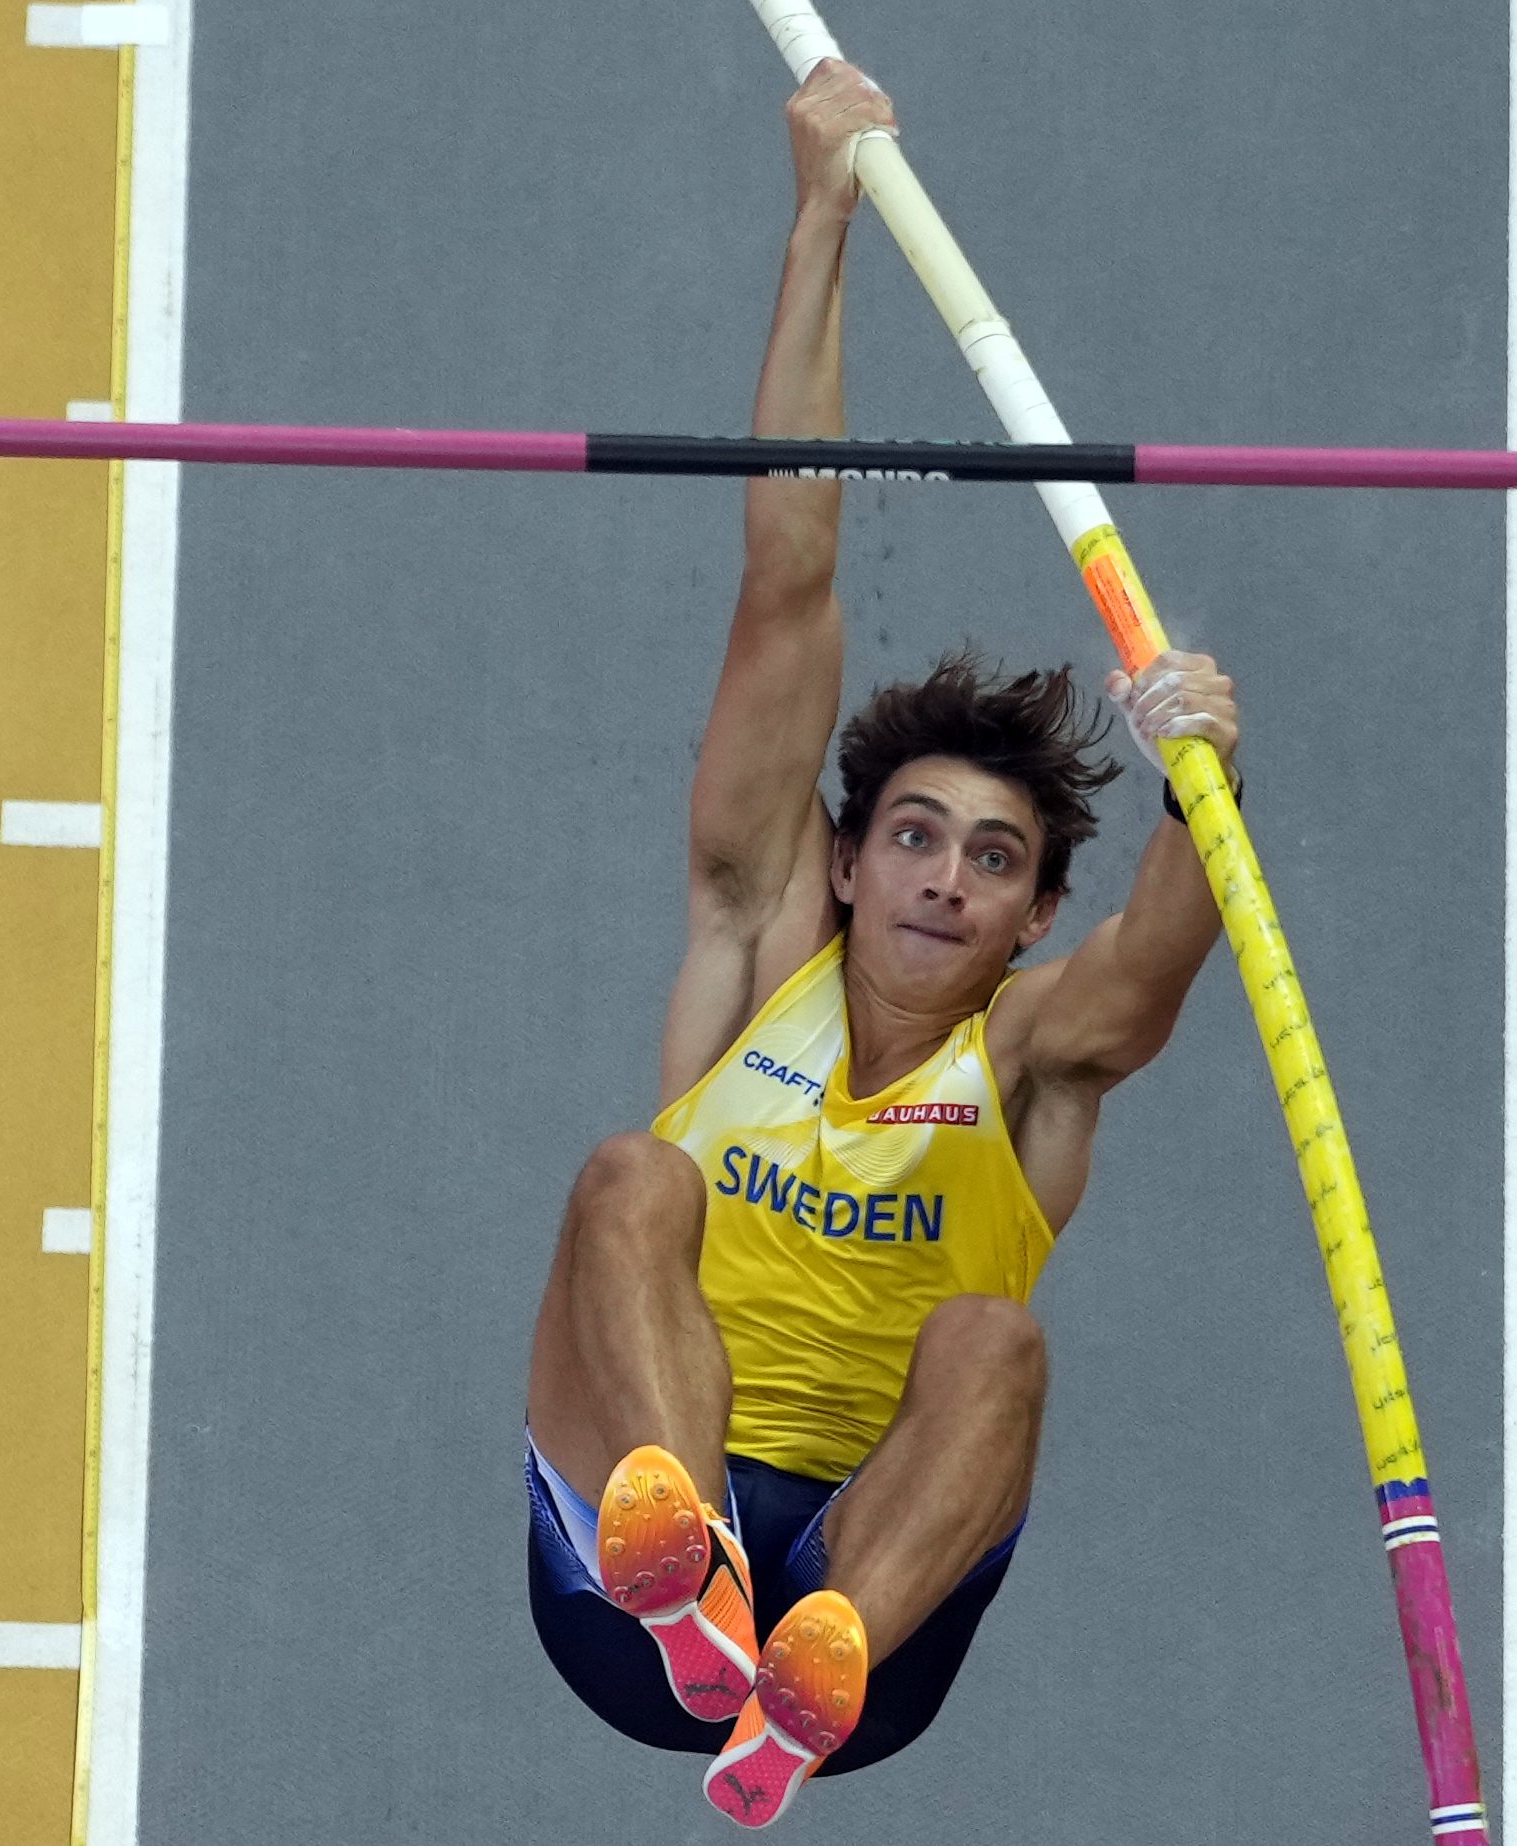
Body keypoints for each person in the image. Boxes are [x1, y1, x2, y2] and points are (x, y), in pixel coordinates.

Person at [518, 57, 1247, 1832]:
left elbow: (1153, 974)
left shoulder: (1035, 1057)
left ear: (1029, 915)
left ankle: (806, 1645)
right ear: (841, 862)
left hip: (870, 1606)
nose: (941, 875)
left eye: (989, 858)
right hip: (627, 1574)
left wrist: (1198, 781)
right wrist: (820, 218)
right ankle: (684, 1565)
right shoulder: (750, 948)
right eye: (910, 835)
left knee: (994, 1342)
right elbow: (790, 576)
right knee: (634, 1178)